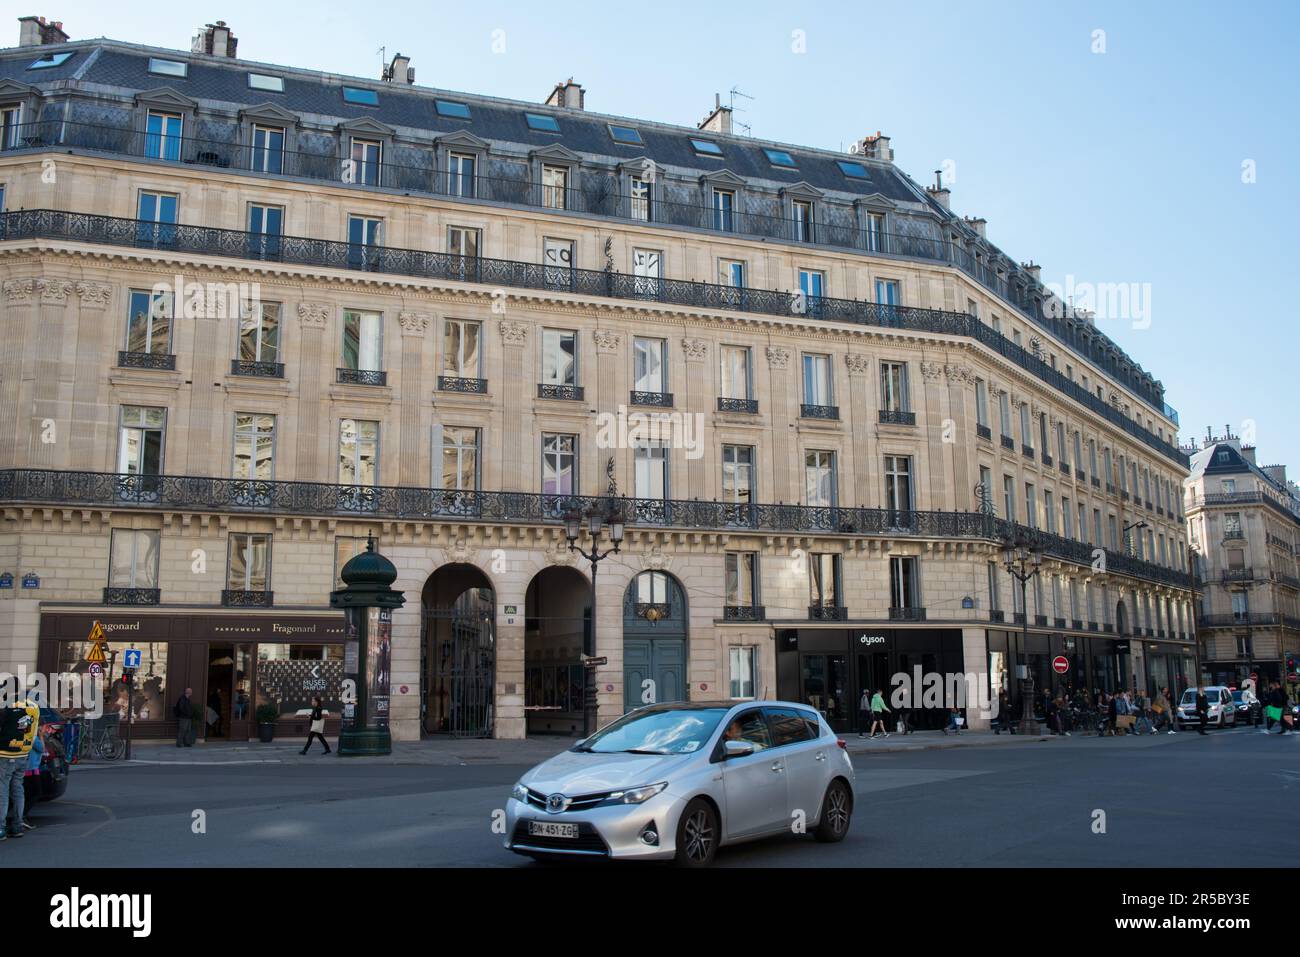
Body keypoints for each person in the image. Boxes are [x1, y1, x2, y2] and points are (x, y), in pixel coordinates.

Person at [0, 694, 40, 841]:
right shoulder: (33, 706)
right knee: (17, 789)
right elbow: (33, 732)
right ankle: (17, 825)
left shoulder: (6, 706)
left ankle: (1, 827)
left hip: (5, 753)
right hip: (23, 753)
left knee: (3, 791)